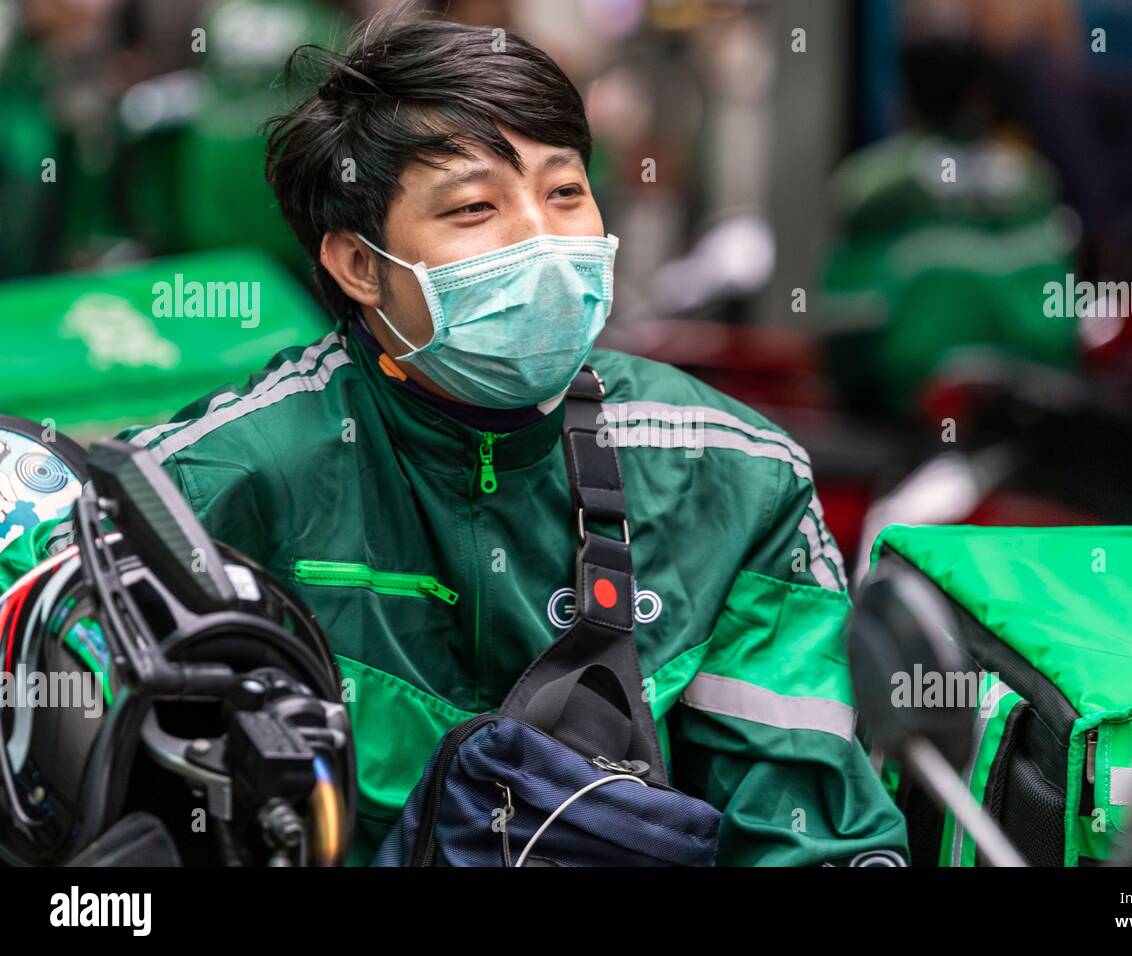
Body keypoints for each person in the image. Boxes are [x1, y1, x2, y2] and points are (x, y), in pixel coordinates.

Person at [0, 11, 907, 866]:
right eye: (475, 209)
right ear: (359, 262)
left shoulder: (733, 472)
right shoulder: (209, 488)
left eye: (564, 192)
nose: (546, 244)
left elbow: (803, 822)